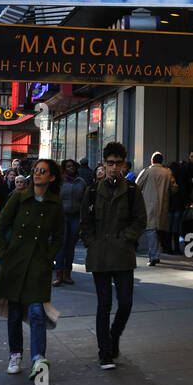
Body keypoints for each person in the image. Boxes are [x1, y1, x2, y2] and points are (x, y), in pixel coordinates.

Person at [0, 159, 65, 383]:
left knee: (36, 312)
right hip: (14, 263)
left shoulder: (55, 204)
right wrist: (4, 256)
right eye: (35, 170)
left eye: (43, 171)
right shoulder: (19, 196)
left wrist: (48, 257)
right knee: (14, 312)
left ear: (51, 177)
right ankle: (15, 355)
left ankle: (38, 359)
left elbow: (59, 236)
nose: (37, 174)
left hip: (38, 265)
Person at [80, 142, 146, 368]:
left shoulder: (132, 191)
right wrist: (91, 242)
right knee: (104, 305)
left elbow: (140, 220)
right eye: (110, 163)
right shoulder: (91, 191)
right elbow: (85, 223)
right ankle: (105, 352)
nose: (114, 167)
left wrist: (126, 237)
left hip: (122, 254)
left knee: (126, 303)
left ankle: (113, 336)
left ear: (124, 165)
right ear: (104, 164)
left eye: (118, 163)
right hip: (100, 255)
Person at [136, 152, 176, 266]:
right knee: (159, 230)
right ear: (161, 161)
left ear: (152, 161)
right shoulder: (168, 172)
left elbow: (137, 186)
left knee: (151, 230)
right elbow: (174, 188)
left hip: (148, 204)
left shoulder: (147, 171)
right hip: (163, 205)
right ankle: (156, 255)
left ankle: (153, 256)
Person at [54, 159, 84, 285]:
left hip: (76, 217)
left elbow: (85, 200)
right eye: (68, 166)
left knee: (71, 246)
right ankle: (59, 274)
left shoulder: (81, 182)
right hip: (61, 217)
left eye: (73, 166)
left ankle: (68, 273)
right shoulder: (59, 182)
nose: (71, 168)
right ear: (64, 168)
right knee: (61, 245)